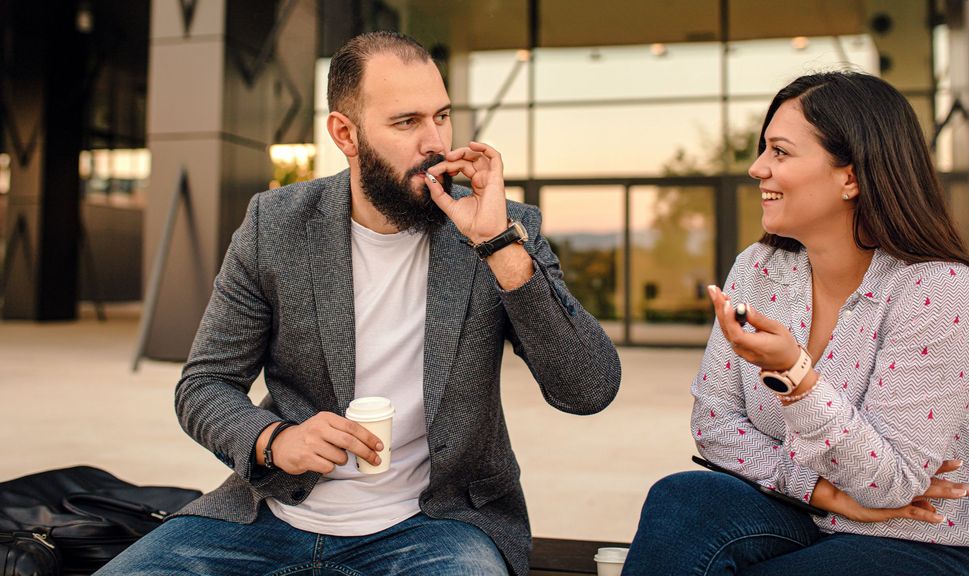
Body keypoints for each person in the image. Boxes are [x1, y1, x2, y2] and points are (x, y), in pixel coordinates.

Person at [97, 31, 620, 576]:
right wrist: (274, 441)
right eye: (407, 122)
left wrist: (499, 249)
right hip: (271, 518)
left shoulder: (503, 229)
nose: (436, 143)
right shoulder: (274, 224)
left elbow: (589, 389)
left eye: (442, 117)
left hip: (437, 528)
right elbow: (204, 385)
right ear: (345, 134)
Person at [622, 71, 969, 575]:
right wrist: (822, 491)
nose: (757, 168)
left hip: (931, 540)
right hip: (806, 512)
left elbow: (892, 483)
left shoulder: (942, 292)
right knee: (683, 498)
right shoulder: (759, 268)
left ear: (850, 178)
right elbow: (715, 424)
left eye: (780, 152)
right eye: (764, 150)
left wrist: (797, 379)